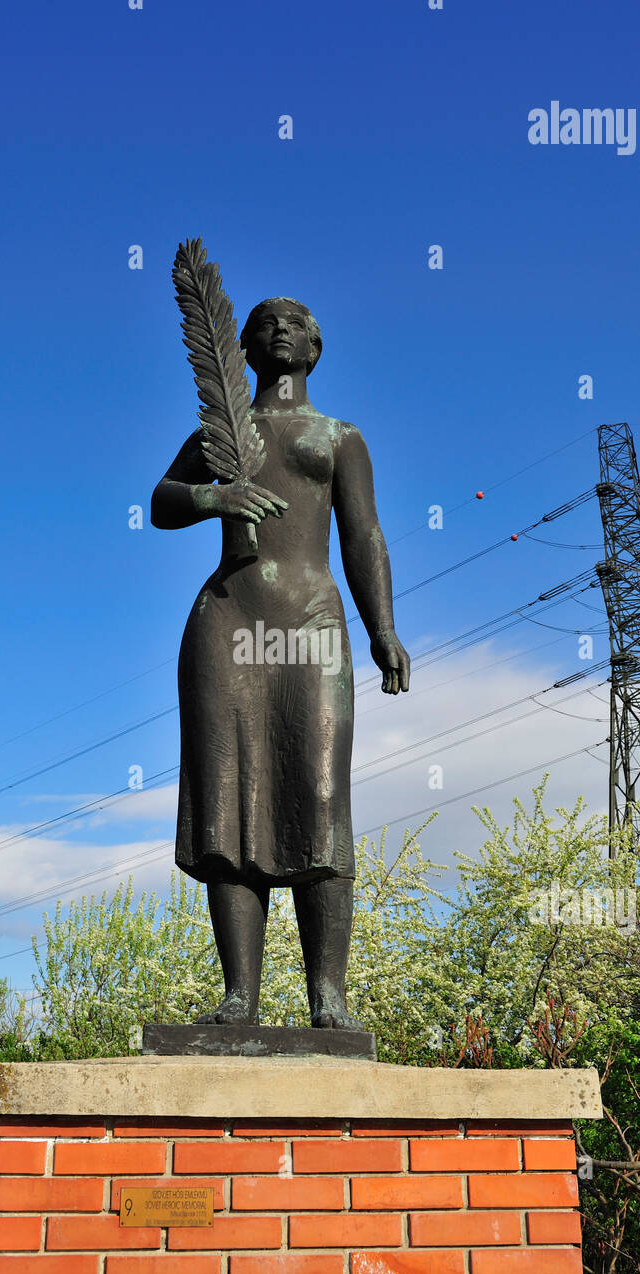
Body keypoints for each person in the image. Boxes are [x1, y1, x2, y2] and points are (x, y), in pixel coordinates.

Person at [151, 297, 410, 1028]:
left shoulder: (339, 436)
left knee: (318, 794)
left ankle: (328, 994)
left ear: (316, 348)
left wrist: (381, 629)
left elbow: (364, 538)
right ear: (244, 347)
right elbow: (162, 502)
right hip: (227, 623)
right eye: (264, 324)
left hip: (312, 626)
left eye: (294, 323)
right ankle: (241, 997)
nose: (279, 331)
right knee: (231, 804)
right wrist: (215, 494)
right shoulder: (222, 431)